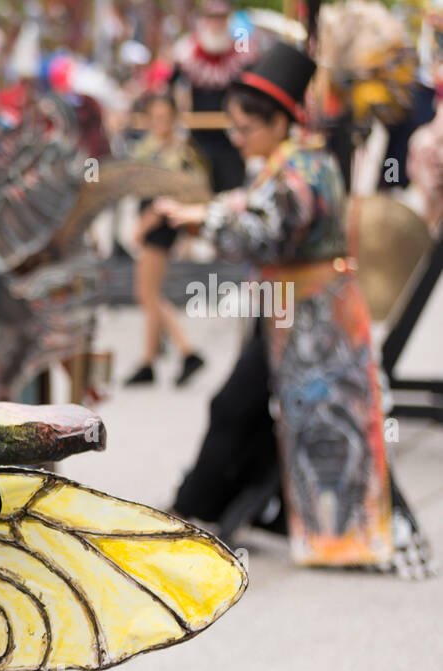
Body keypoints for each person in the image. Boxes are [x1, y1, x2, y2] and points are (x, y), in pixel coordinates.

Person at [155, 43, 434, 578]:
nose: (237, 141)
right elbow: (247, 207)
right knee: (252, 409)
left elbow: (262, 228)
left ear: (277, 121)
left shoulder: (302, 169)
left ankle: (199, 509)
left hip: (314, 323)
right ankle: (224, 507)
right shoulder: (291, 161)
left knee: (263, 410)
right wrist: (200, 212)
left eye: (244, 130)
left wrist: (197, 220)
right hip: (290, 313)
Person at [126, 91, 208, 386]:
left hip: (160, 227)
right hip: (152, 224)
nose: (160, 123)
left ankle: (187, 351)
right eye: (155, 117)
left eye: (165, 117)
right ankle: (148, 360)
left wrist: (142, 227)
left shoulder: (176, 153)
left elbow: (166, 198)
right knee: (149, 292)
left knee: (147, 293)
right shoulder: (151, 149)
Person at [169, 0, 255, 192]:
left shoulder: (241, 53)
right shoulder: (186, 51)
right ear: (203, 20)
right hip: (198, 138)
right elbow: (169, 87)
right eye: (212, 17)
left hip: (231, 140)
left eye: (221, 18)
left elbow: (251, 90)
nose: (217, 23)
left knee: (231, 187)